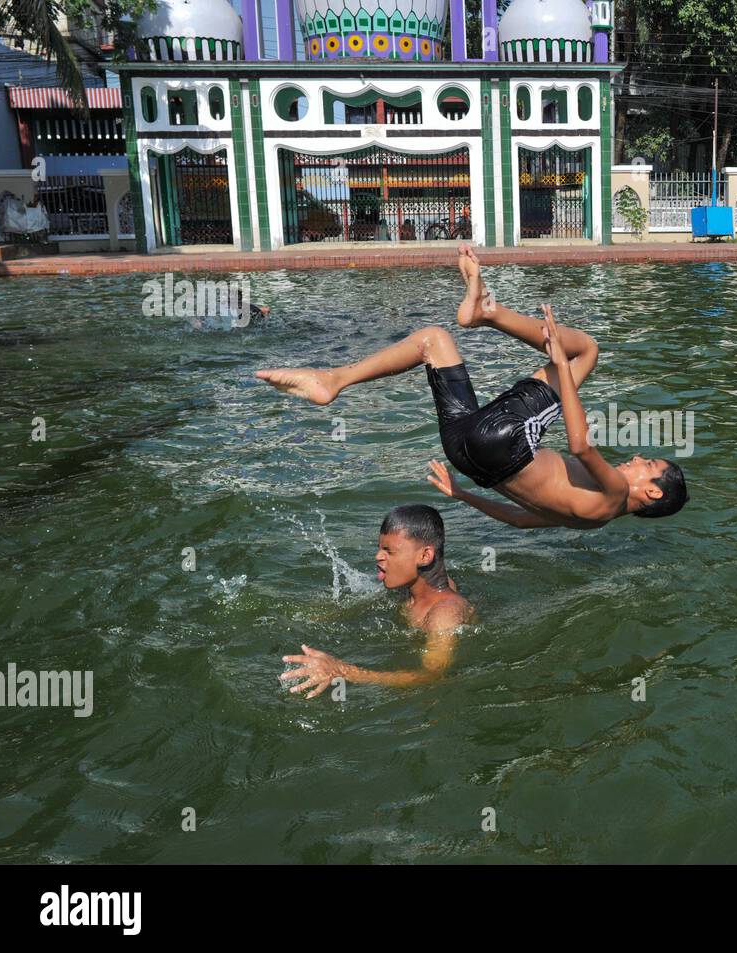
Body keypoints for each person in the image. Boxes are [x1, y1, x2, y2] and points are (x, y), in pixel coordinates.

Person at [256, 244, 688, 530]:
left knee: (586, 351)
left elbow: (580, 445)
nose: (634, 457)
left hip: (506, 442)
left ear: (650, 492)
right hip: (465, 454)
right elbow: (520, 519)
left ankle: (489, 312)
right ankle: (333, 380)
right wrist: (462, 493)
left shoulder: (613, 495)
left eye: (646, 463)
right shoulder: (592, 520)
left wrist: (557, 362)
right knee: (432, 342)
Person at [280, 505, 474, 699]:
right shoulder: (410, 589)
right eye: (380, 548)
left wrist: (342, 671)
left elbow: (431, 677)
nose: (378, 556)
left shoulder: (444, 615)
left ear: (424, 556)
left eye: (389, 551)